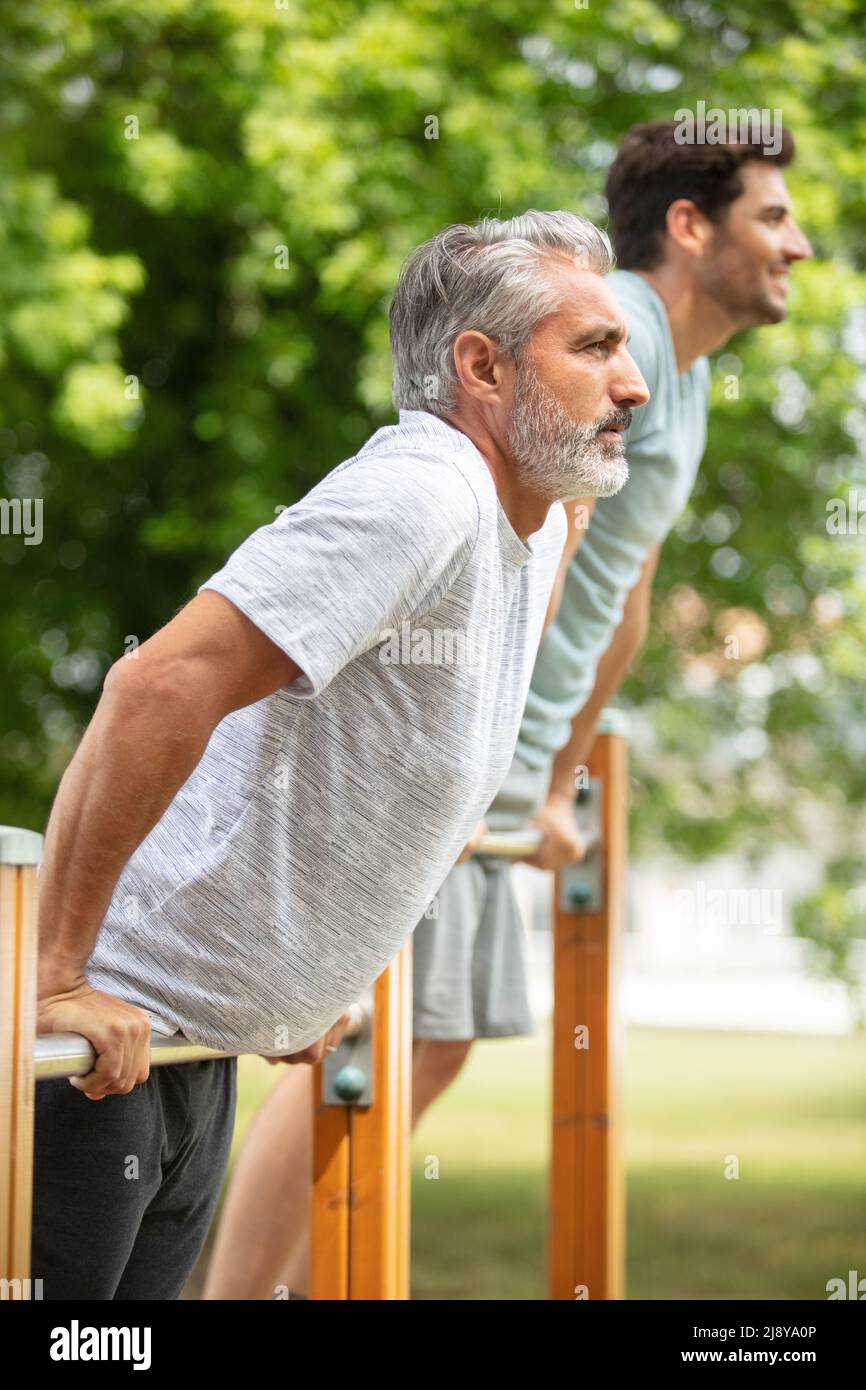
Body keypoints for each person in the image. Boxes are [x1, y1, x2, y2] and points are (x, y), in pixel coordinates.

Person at [202, 121, 811, 1300]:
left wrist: (555, 779)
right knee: (370, 1045)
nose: (799, 243)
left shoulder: (668, 378)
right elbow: (512, 530)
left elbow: (616, 600)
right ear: (689, 226)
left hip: (506, 766)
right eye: (771, 217)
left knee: (428, 1039)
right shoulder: (605, 327)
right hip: (451, 762)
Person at [32, 208, 649, 1300]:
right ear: (481, 367)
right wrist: (53, 976)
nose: (632, 385)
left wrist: (297, 986)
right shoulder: (423, 493)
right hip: (94, 1049)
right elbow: (153, 686)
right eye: (593, 348)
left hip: (196, 1042)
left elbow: (408, 766)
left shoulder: (526, 524)